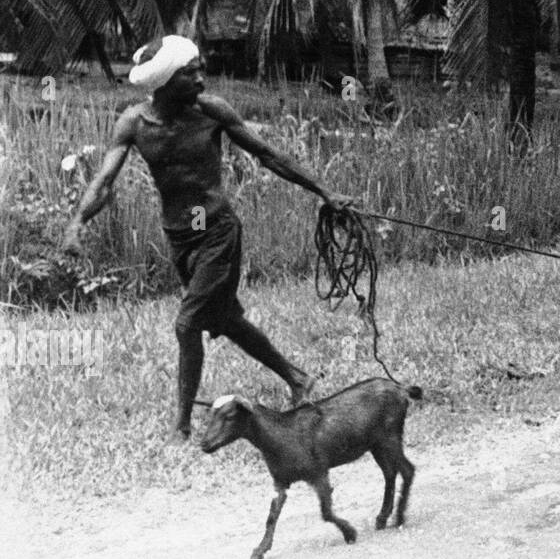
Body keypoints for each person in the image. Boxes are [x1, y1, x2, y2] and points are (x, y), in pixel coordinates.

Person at [62, 35, 353, 442]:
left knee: (187, 325)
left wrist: (324, 191)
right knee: (225, 319)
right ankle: (297, 378)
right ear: (164, 81)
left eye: (200, 68)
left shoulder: (212, 111)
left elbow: (267, 154)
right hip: (182, 237)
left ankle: (180, 425)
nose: (201, 77)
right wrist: (78, 221)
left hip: (215, 229)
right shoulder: (134, 123)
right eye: (190, 72)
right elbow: (105, 180)